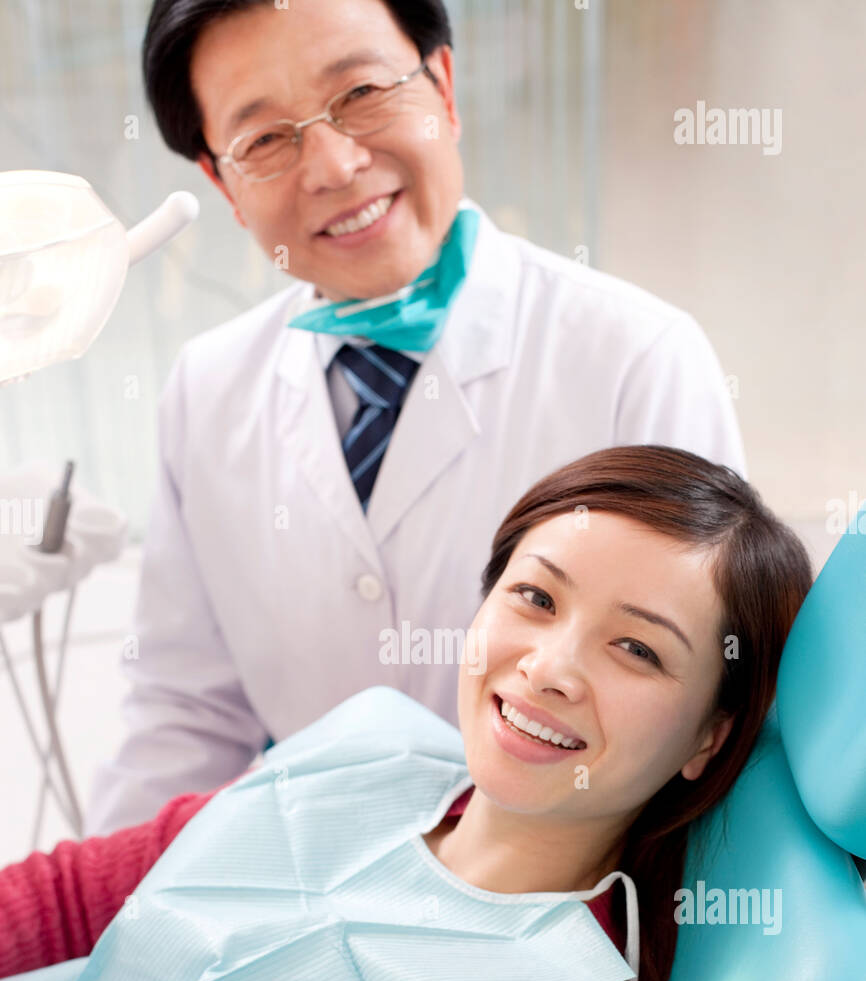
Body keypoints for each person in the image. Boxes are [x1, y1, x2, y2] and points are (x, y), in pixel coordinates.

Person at [0, 447, 816, 981]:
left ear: (706, 739)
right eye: (536, 598)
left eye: (637, 651)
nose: (548, 668)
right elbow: (64, 899)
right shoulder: (368, 752)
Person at [84, 0, 747, 838]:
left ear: (443, 86)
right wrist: (111, 934)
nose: (332, 163)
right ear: (223, 184)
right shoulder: (206, 388)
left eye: (361, 91)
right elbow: (186, 717)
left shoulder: (637, 357)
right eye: (264, 139)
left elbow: (703, 703)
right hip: (307, 894)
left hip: (559, 907)